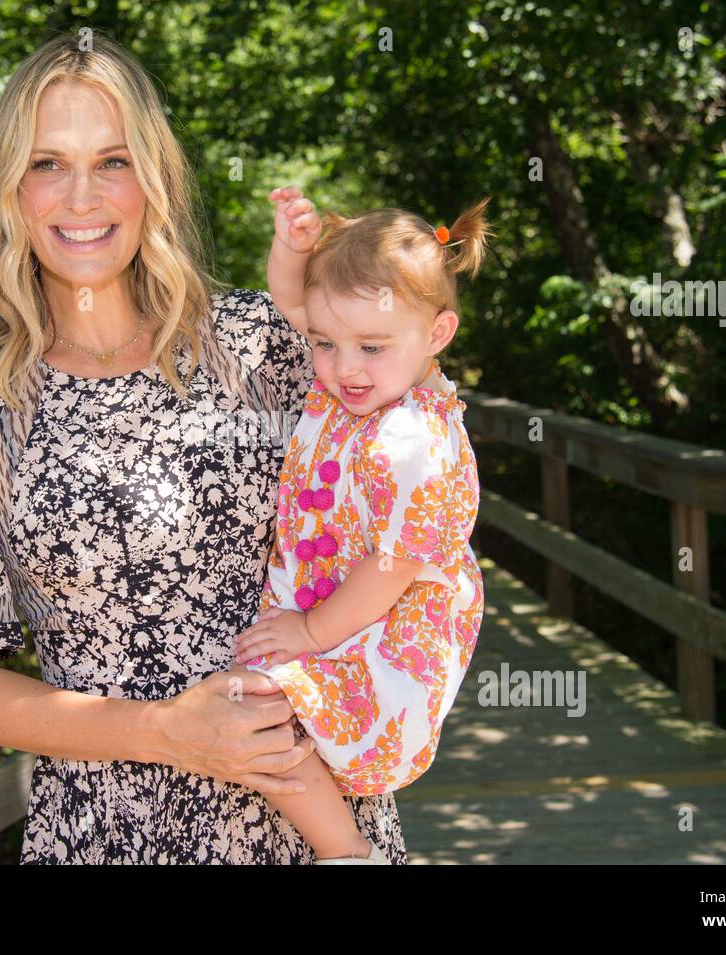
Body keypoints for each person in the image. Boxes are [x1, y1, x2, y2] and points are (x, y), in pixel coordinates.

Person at [0, 32, 408, 864]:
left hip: (317, 825)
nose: (81, 196)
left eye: (111, 160)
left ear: (154, 179)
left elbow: (409, 452)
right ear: (12, 189)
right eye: (47, 164)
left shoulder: (266, 346)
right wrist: (168, 732)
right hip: (110, 831)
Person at [231, 188, 490, 863]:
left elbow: (396, 564)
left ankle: (349, 852)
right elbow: (296, 301)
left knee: (254, 700)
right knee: (251, 706)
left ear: (437, 334)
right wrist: (292, 248)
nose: (344, 366)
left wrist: (308, 633)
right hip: (331, 622)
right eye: (326, 342)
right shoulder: (353, 380)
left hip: (382, 638)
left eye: (370, 345)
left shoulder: (414, 438)